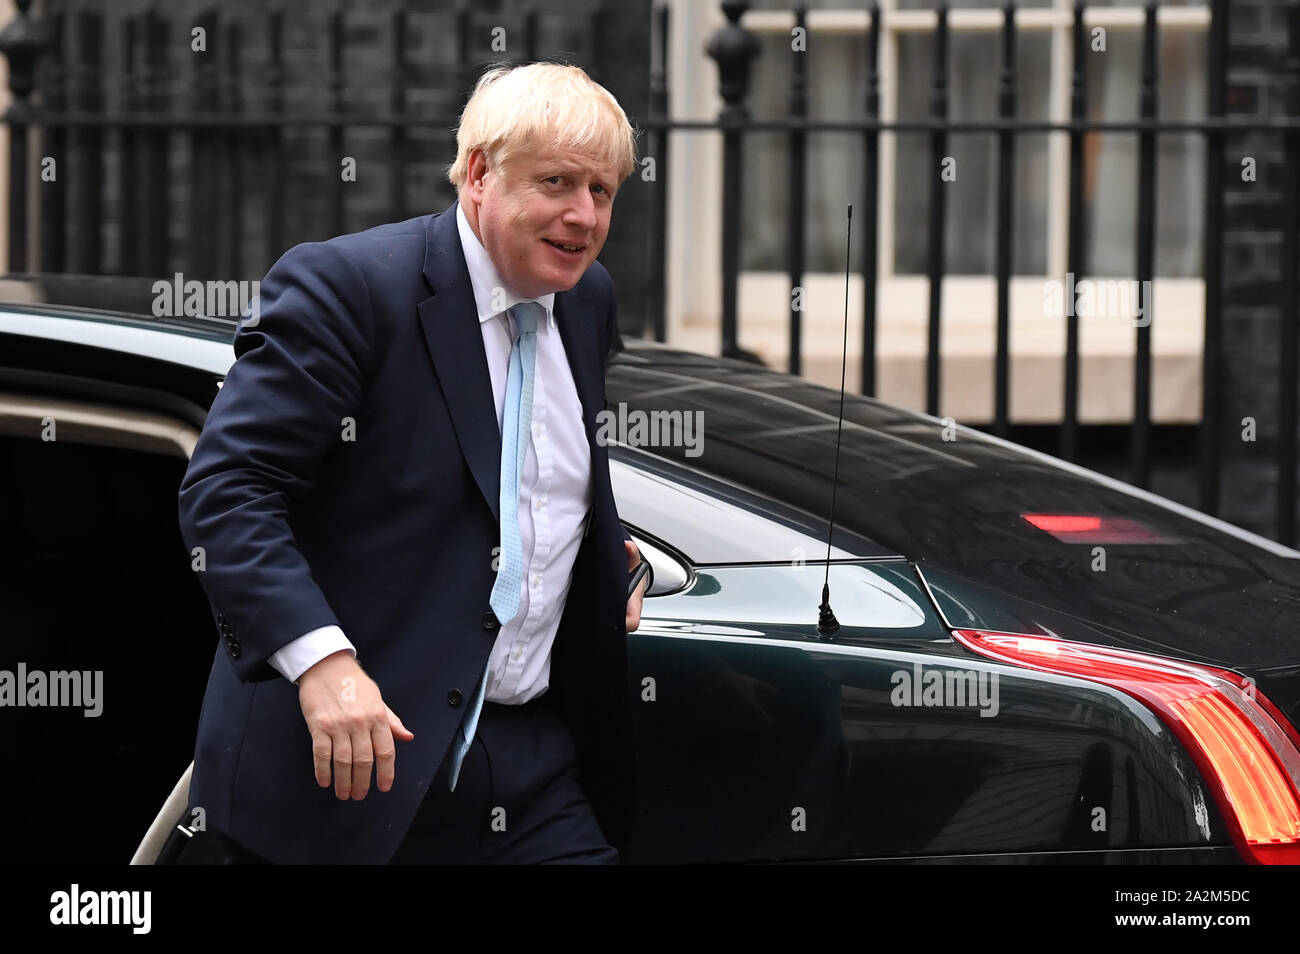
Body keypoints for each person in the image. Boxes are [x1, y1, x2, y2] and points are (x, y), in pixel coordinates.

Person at [175, 61, 643, 864]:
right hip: (353, 771)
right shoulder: (350, 288)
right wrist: (323, 664)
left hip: (529, 767)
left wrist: (602, 555)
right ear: (477, 174)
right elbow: (229, 491)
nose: (582, 215)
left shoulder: (586, 297)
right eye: (558, 182)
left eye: (602, 192)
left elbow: (529, 472)